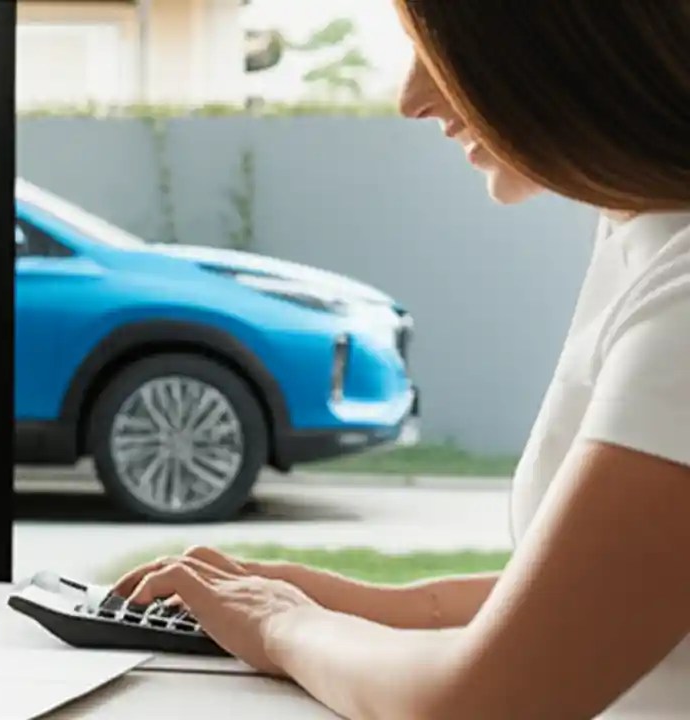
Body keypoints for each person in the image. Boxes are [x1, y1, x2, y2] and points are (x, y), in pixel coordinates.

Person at [112, 3, 690, 718]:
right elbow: (616, 601)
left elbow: (479, 705)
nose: (411, 98)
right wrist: (363, 603)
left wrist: (281, 625)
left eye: (438, 55)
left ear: (559, 48)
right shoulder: (641, 238)